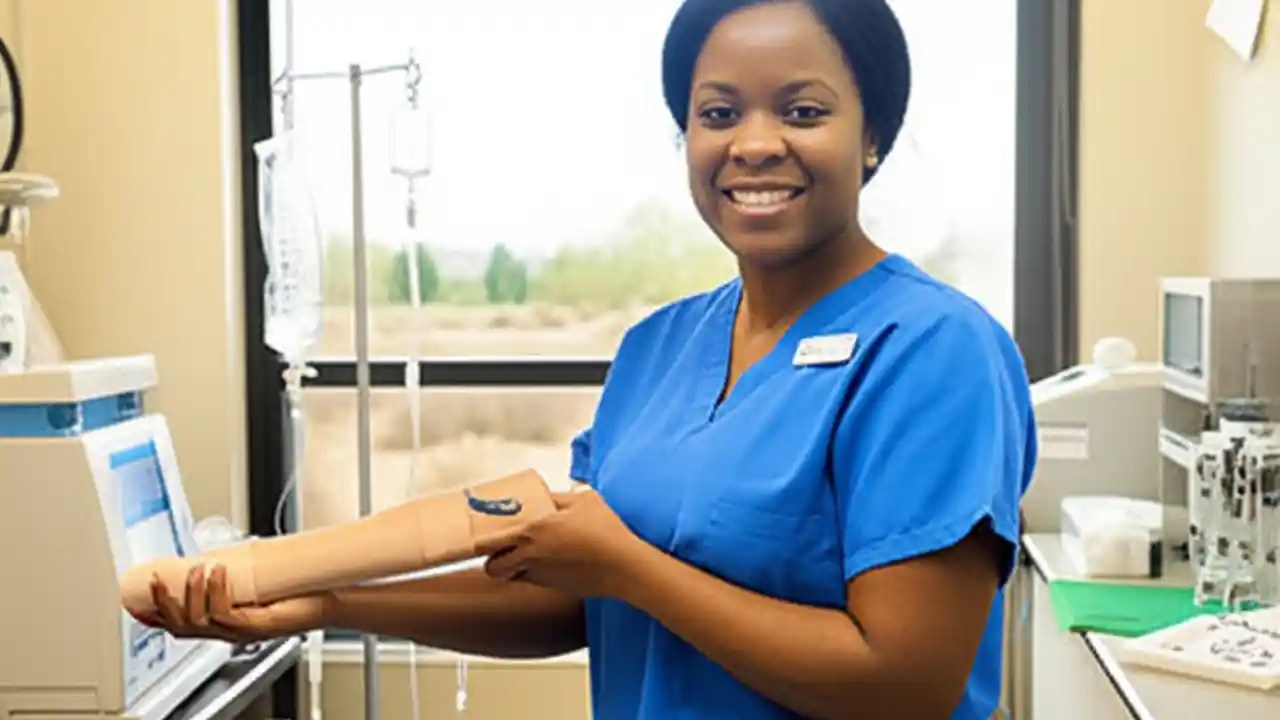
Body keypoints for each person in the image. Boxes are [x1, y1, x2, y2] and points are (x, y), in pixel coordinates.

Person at [148, 1, 1037, 718]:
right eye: (718, 113)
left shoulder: (932, 351)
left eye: (803, 111)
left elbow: (903, 686)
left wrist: (627, 566)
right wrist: (328, 605)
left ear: (873, 134)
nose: (755, 143)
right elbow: (573, 599)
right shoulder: (660, 349)